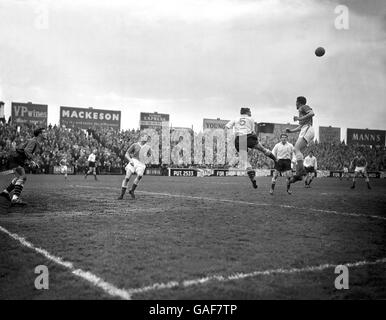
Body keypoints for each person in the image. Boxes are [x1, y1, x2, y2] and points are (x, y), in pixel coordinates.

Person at [226, 107, 277, 189]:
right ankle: (275, 160)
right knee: (262, 149)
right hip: (249, 137)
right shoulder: (250, 119)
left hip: (239, 139)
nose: (251, 113)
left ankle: (252, 177)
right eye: (250, 111)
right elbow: (253, 131)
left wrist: (231, 136)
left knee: (245, 161)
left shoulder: (235, 119)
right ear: (246, 112)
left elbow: (227, 127)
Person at [0, 128, 46, 206]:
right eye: (44, 132)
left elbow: (24, 153)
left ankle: (6, 192)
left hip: (16, 159)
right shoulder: (34, 141)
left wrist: (29, 163)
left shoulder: (34, 141)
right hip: (15, 159)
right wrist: (33, 162)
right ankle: (15, 199)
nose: (46, 133)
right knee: (23, 177)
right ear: (40, 134)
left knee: (19, 177)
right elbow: (27, 151)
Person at [286, 96, 315, 184]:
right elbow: (301, 126)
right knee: (298, 152)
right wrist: (291, 131)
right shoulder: (301, 111)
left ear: (299, 102)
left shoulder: (303, 107)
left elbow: (312, 113)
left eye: (296, 102)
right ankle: (299, 175)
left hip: (308, 129)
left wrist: (299, 118)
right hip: (305, 129)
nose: (295, 104)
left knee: (296, 149)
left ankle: (300, 173)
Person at [117, 135, 149, 200]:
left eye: (147, 137)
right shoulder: (135, 145)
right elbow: (126, 154)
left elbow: (150, 155)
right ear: (141, 138)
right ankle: (122, 195)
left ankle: (132, 190)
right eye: (144, 136)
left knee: (140, 175)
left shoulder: (148, 147)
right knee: (127, 178)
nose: (146, 138)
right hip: (133, 161)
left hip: (141, 163)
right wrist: (130, 160)